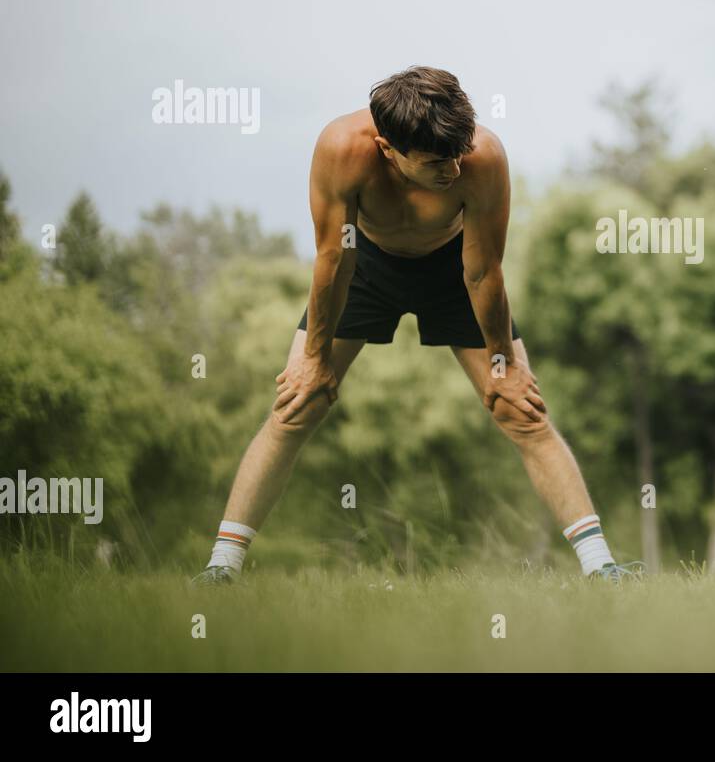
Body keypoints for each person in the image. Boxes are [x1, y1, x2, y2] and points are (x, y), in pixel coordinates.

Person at [194, 66, 639, 583]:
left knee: (521, 410)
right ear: (387, 149)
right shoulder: (342, 149)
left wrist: (504, 363)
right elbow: (334, 259)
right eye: (435, 162)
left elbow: (483, 271)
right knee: (298, 403)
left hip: (454, 269)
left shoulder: (483, 156)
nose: (453, 168)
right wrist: (313, 360)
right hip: (365, 267)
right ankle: (221, 568)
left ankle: (601, 567)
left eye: (457, 153)